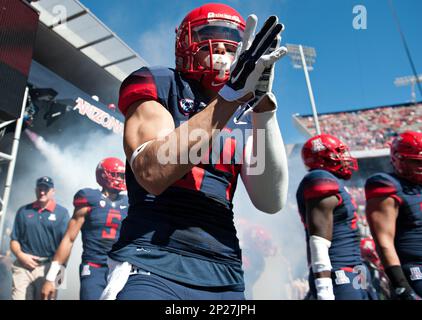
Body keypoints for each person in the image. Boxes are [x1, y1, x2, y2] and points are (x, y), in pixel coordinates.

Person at [100, 3, 289, 300]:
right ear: (186, 45)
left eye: (232, 48)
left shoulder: (244, 113)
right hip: (152, 259)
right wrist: (230, 97)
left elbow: (270, 201)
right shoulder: (162, 83)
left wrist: (263, 108)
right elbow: (153, 171)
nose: (223, 55)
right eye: (211, 40)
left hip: (224, 272)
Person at [296, 134, 374, 300]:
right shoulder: (319, 179)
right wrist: (324, 290)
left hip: (352, 270)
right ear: (322, 157)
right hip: (338, 273)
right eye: (338, 153)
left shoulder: (334, 182)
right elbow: (318, 241)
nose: (344, 158)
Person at [41, 158, 128, 300]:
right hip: (94, 267)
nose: (120, 179)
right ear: (103, 175)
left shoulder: (128, 203)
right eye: (116, 174)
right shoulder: (89, 198)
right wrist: (53, 280)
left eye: (122, 175)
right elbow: (69, 240)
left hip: (120, 268)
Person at [365, 131, 422, 299]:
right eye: (415, 161)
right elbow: (384, 241)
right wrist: (400, 284)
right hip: (414, 268)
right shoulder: (386, 184)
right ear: (399, 159)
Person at [10, 176, 69, 300]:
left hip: (50, 267)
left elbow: (66, 246)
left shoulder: (62, 213)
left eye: (46, 189)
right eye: (40, 189)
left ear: (53, 191)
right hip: (23, 266)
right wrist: (21, 256)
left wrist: (58, 278)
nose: (42, 192)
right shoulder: (23, 211)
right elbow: (14, 240)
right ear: (35, 190)